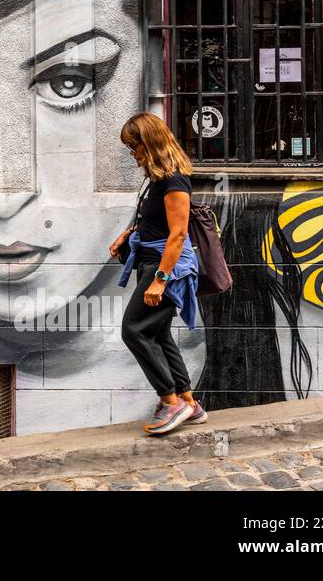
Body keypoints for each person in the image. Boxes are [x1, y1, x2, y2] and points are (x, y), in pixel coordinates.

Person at [112, 112, 205, 436]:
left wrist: (159, 280)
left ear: (148, 143)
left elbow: (178, 234)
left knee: (134, 329)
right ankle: (189, 403)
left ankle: (171, 401)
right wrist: (130, 233)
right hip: (151, 261)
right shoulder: (158, 178)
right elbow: (160, 222)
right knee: (158, 334)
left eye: (133, 146)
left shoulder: (174, 181)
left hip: (168, 269)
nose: (131, 153)